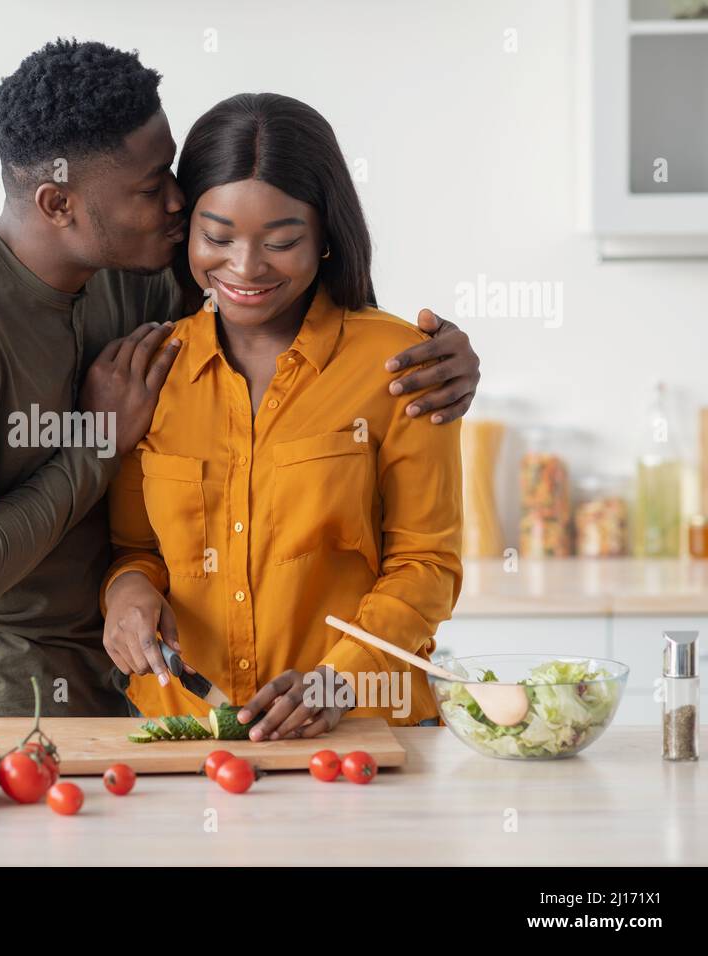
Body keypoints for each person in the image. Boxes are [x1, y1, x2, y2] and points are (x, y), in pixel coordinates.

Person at [0, 40, 480, 718]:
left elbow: (279, 318)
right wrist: (99, 441)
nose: (178, 203)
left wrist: (451, 360)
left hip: (133, 682)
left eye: (172, 174)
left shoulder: (146, 282)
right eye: (151, 188)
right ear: (58, 203)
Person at [103, 93, 463, 735]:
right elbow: (137, 548)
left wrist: (343, 678)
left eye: (282, 241)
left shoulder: (403, 365)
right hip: (186, 733)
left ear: (326, 237)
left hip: (365, 733)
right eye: (217, 237)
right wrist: (127, 592)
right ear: (186, 229)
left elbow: (427, 564)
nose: (244, 268)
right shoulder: (154, 370)